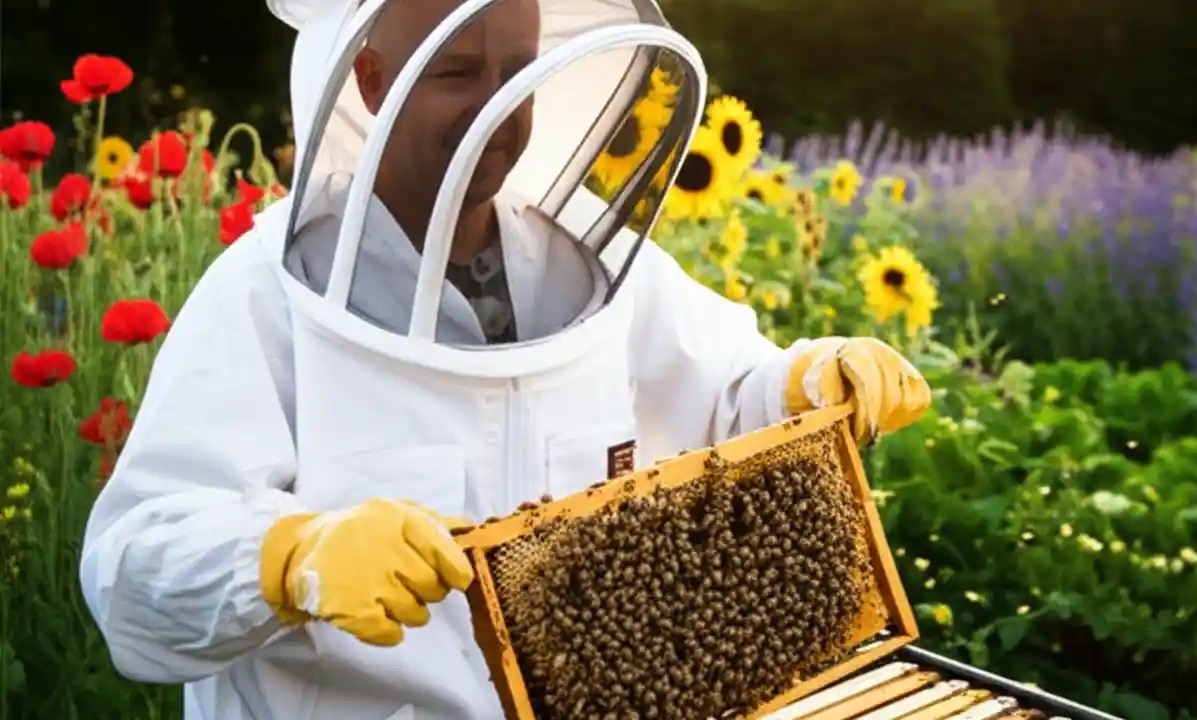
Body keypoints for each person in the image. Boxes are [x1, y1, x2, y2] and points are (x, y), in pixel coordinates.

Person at [78, 0, 933, 717]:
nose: (499, 108)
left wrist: (809, 379)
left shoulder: (585, 263)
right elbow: (133, 567)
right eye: (457, 73)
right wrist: (286, 560)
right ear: (371, 81)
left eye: (518, 71)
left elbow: (724, 391)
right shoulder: (267, 297)